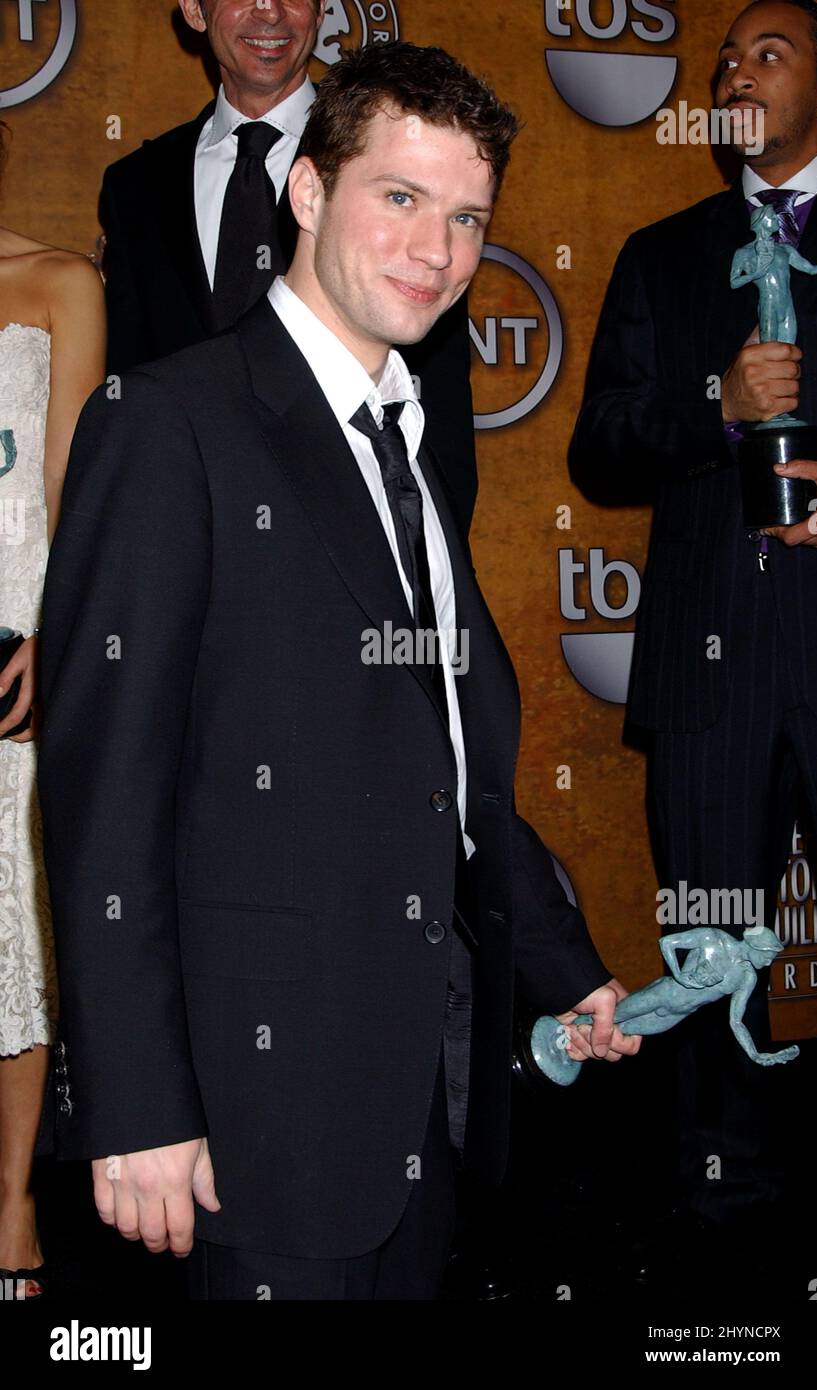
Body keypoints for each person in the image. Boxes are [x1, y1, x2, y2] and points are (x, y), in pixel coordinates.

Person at [37, 43, 639, 1302]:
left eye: (467, 216)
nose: (438, 249)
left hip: (422, 1107)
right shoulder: (168, 421)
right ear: (306, 194)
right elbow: (104, 798)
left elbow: (445, 768)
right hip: (246, 1120)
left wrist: (562, 963)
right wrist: (137, 1104)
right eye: (400, 198)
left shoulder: (409, 445)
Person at [570, 0, 817, 1252]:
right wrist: (711, 404)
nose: (732, 69)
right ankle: (723, 1185)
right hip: (711, 670)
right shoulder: (659, 255)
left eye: (765, 53)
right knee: (719, 934)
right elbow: (601, 445)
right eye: (723, 56)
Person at [100, 0, 479, 533]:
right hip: (184, 527)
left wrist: (425, 559)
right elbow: (129, 378)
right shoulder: (136, 185)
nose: (270, 13)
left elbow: (436, 395)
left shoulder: (394, 150)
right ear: (193, 8)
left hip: (357, 531)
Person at [0, 118, 106, 1299]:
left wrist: (55, 635)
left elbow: (77, 488)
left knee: (12, 932)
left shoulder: (56, 282)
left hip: (12, 654)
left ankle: (14, 1207)